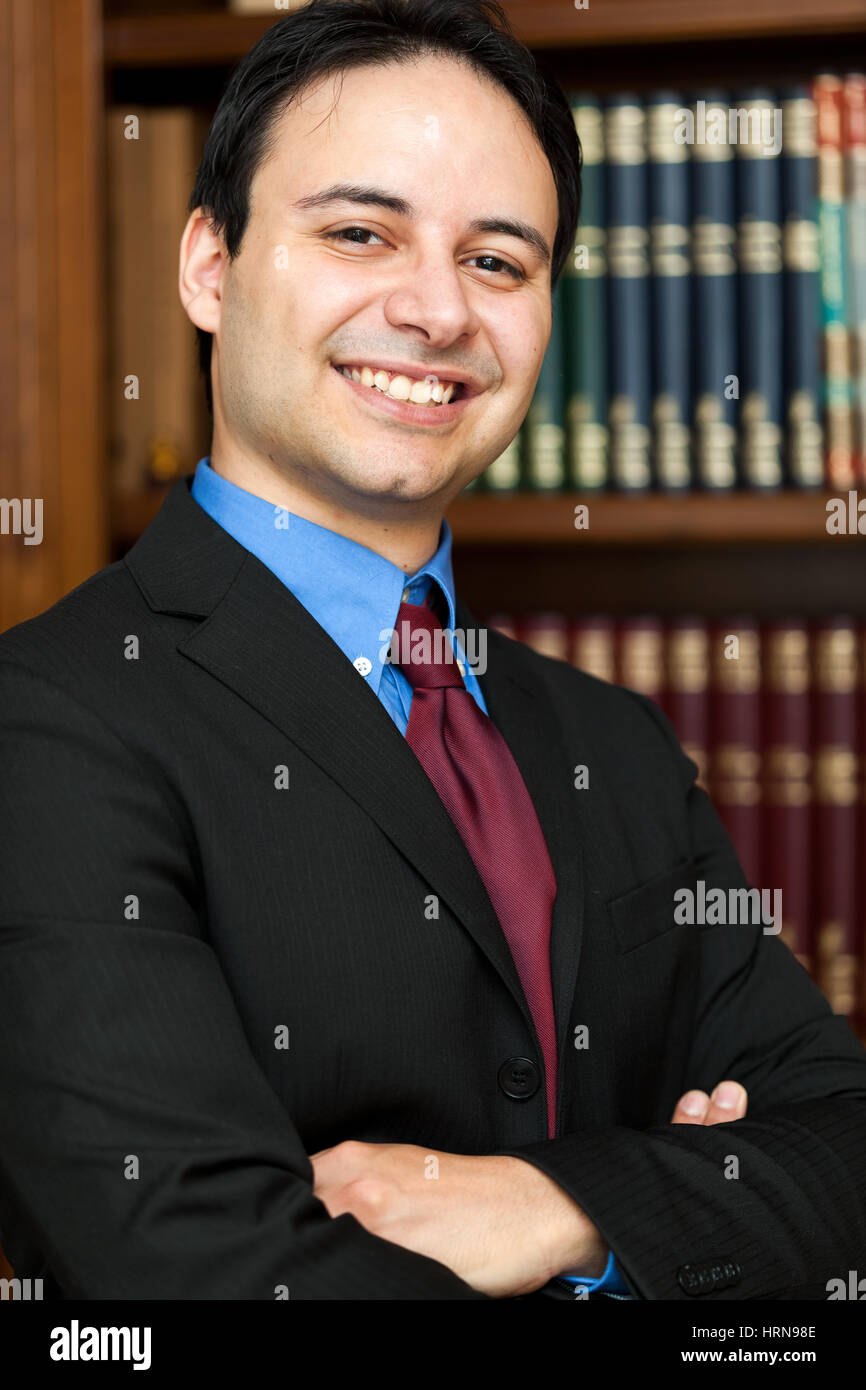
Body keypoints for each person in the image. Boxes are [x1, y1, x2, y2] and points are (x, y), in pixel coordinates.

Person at [0, 0, 864, 1301]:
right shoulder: (48, 724)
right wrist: (675, 1231)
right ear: (208, 266)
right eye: (360, 232)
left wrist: (551, 1208)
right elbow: (190, 1270)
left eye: (499, 262)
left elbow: (844, 1153)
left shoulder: (610, 742)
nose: (435, 311)